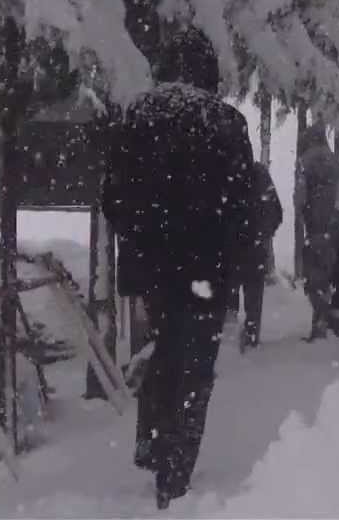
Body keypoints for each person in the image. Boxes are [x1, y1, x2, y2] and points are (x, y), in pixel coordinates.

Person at [101, 46, 255, 510]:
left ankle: (152, 440)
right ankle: (175, 469)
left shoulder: (137, 117)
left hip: (154, 269)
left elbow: (113, 198)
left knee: (166, 347)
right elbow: (242, 203)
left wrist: (144, 237)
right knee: (196, 366)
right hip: (205, 269)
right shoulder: (224, 123)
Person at [296, 125, 339, 341]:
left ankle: (328, 321)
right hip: (337, 230)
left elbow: (299, 199)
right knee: (329, 277)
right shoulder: (338, 163)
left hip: (316, 229)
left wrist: (303, 211)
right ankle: (324, 323)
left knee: (314, 282)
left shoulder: (306, 165)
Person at [226, 161, 283, 351]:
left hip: (230, 245)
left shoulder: (223, 168)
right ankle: (251, 336)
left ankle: (228, 337)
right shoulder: (259, 172)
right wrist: (264, 233)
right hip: (255, 245)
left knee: (227, 292)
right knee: (254, 293)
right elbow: (276, 212)